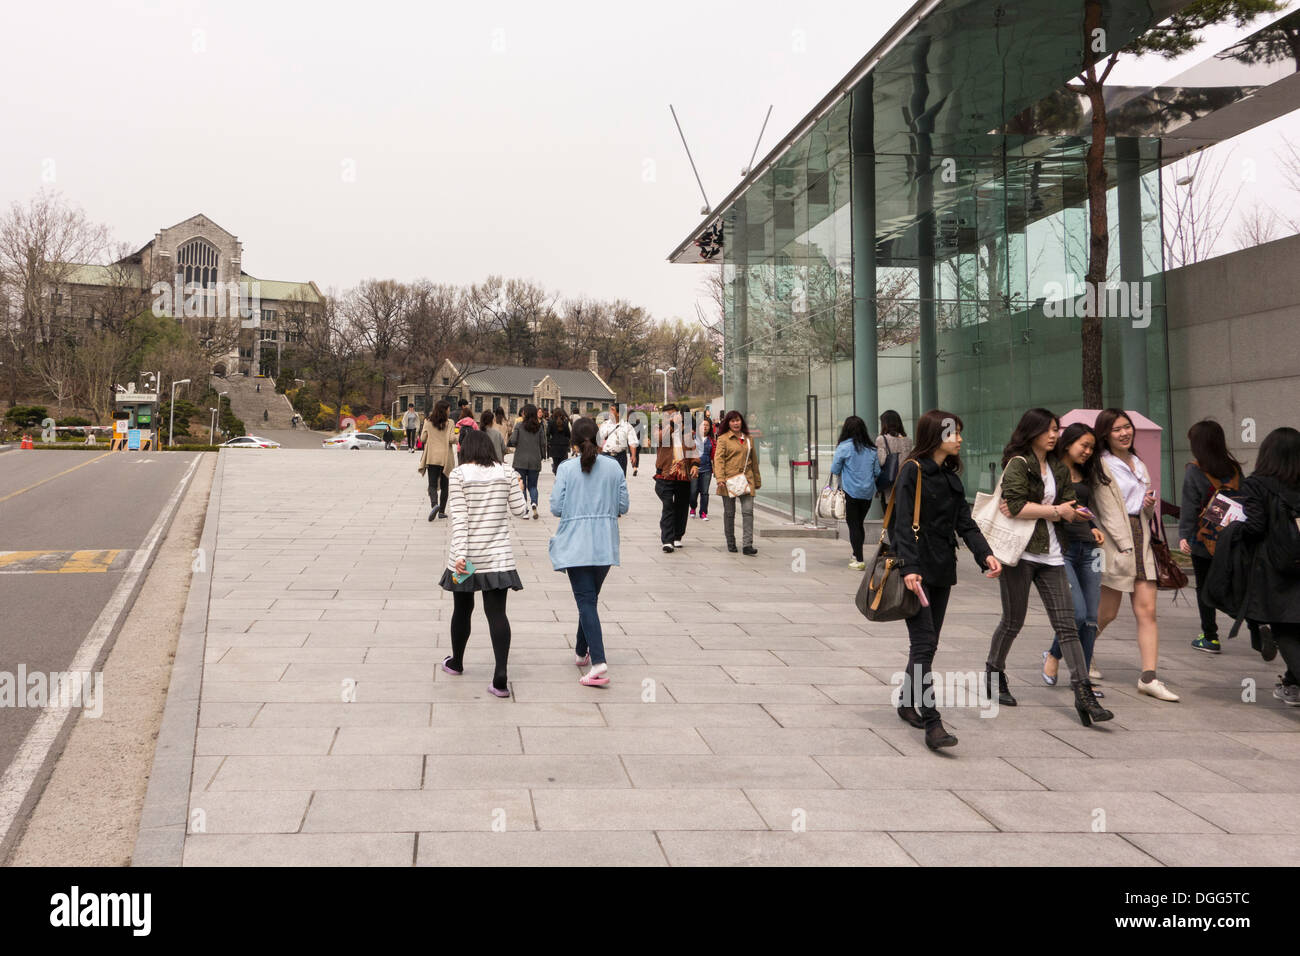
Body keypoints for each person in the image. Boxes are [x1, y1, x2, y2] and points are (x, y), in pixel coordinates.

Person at [982, 409, 1112, 725]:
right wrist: (1054, 511)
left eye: (1056, 429)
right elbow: (1013, 507)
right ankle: (994, 673)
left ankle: (1084, 695)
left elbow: (1068, 505)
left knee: (1068, 624)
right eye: (1049, 430)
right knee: (1013, 620)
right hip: (1022, 553)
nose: (1054, 435)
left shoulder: (1057, 467)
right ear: (1033, 431)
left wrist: (1086, 519)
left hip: (1053, 554)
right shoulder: (1019, 464)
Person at [892, 409, 1001, 750]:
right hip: (917, 571)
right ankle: (932, 721)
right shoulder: (913, 471)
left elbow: (965, 523)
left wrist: (985, 554)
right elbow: (901, 524)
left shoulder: (952, 477)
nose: (960, 440)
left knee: (928, 643)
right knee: (924, 644)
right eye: (955, 434)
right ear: (937, 435)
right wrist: (909, 568)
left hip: (942, 570)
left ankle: (906, 701)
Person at [439, 429, 531, 698]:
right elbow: (521, 512)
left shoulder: (458, 475)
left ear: (465, 450)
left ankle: (456, 662)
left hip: (466, 559)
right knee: (497, 614)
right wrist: (521, 490)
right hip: (498, 557)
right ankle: (500, 675)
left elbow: (459, 519)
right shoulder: (506, 472)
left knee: (462, 609)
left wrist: (460, 557)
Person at [1093, 408, 1177, 701]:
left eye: (1127, 427)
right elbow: (1106, 510)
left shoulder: (1138, 462)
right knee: (1107, 612)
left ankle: (1149, 677)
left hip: (1141, 535)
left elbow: (1142, 507)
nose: (1124, 433)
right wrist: (1123, 544)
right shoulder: (1102, 465)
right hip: (1116, 540)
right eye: (1117, 429)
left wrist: (1148, 504)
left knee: (1147, 610)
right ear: (1105, 434)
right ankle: (1079, 653)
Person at [550, 417, 630, 687]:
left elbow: (556, 508)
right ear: (599, 439)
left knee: (586, 601)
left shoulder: (566, 469)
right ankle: (581, 650)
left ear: (573, 441)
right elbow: (623, 505)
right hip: (604, 543)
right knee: (590, 599)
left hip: (576, 543)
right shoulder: (614, 468)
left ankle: (598, 662)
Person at [1038, 423, 1107, 692]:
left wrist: (1094, 528)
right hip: (1061, 549)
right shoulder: (1050, 470)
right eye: (1084, 446)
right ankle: (1054, 654)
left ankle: (1083, 682)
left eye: (1092, 447)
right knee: (1076, 614)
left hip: (1090, 550)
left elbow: (1083, 509)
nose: (1088, 452)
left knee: (1091, 619)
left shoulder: (1084, 472)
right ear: (1068, 444)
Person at [1237, 427, 1300, 706]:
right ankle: (1291, 685)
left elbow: (1254, 527)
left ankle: (1261, 632)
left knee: (1284, 629)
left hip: (1273, 568)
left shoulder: (1256, 484)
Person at [1178, 419, 1248, 654]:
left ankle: (1210, 638)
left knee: (1204, 587)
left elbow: (1189, 507)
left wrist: (1184, 536)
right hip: (1234, 538)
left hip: (1204, 539)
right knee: (1234, 585)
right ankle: (1256, 625)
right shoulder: (1235, 469)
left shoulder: (1195, 470)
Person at [831, 415, 881, 570]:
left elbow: (835, 469)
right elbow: (877, 471)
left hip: (850, 491)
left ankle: (859, 559)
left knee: (853, 525)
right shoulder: (872, 449)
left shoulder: (844, 447)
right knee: (859, 524)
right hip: (867, 492)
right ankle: (855, 554)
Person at [653, 404, 700, 553]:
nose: (671, 417)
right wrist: (672, 424)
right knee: (668, 506)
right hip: (665, 474)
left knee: (681, 506)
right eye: (668, 415)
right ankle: (667, 540)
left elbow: (693, 449)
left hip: (682, 474)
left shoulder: (686, 432)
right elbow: (660, 438)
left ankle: (677, 535)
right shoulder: (659, 428)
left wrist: (695, 465)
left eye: (673, 414)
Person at [714, 409, 761, 555]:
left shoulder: (748, 438)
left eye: (738, 420)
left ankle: (747, 544)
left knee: (748, 512)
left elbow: (754, 461)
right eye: (733, 421)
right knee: (729, 513)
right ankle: (731, 541)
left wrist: (757, 480)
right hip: (728, 481)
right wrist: (720, 478)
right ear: (728, 423)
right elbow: (718, 459)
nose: (736, 423)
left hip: (747, 480)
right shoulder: (723, 439)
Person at [418, 401, 457, 521]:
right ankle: (441, 511)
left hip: (432, 457)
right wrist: (457, 438)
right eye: (449, 409)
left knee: (432, 484)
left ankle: (434, 505)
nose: (450, 411)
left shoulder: (428, 422)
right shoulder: (450, 423)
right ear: (445, 410)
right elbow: (451, 439)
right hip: (445, 458)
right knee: (445, 486)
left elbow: (423, 439)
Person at [508, 403, 547, 519]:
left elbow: (513, 441)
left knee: (522, 486)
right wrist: (542, 456)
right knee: (533, 486)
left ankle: (524, 510)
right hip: (534, 460)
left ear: (525, 413)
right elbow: (543, 443)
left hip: (520, 460)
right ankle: (534, 502)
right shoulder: (539, 427)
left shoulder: (519, 425)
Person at [875, 410, 912, 505]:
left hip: (889, 484)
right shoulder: (908, 440)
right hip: (905, 483)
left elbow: (881, 461)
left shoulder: (881, 439)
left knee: (889, 517)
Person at [597, 405, 637, 475]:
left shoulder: (627, 426)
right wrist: (598, 455)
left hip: (620, 457)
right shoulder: (604, 425)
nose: (610, 412)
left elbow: (632, 441)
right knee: (606, 479)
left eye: (612, 410)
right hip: (606, 456)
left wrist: (633, 455)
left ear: (618, 413)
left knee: (620, 480)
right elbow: (599, 441)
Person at [690, 418, 715, 521]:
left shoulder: (712, 441)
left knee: (704, 492)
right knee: (693, 491)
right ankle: (693, 507)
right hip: (693, 469)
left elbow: (713, 456)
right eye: (703, 425)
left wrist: (716, 469)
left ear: (710, 428)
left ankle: (703, 512)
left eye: (707, 425)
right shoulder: (692, 438)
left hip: (707, 469)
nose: (705, 427)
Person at [548, 407, 571, 474]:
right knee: (563, 464)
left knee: (556, 464)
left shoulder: (551, 422)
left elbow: (548, 433)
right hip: (563, 446)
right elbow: (568, 434)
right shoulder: (565, 422)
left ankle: (556, 474)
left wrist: (549, 442)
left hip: (554, 445)